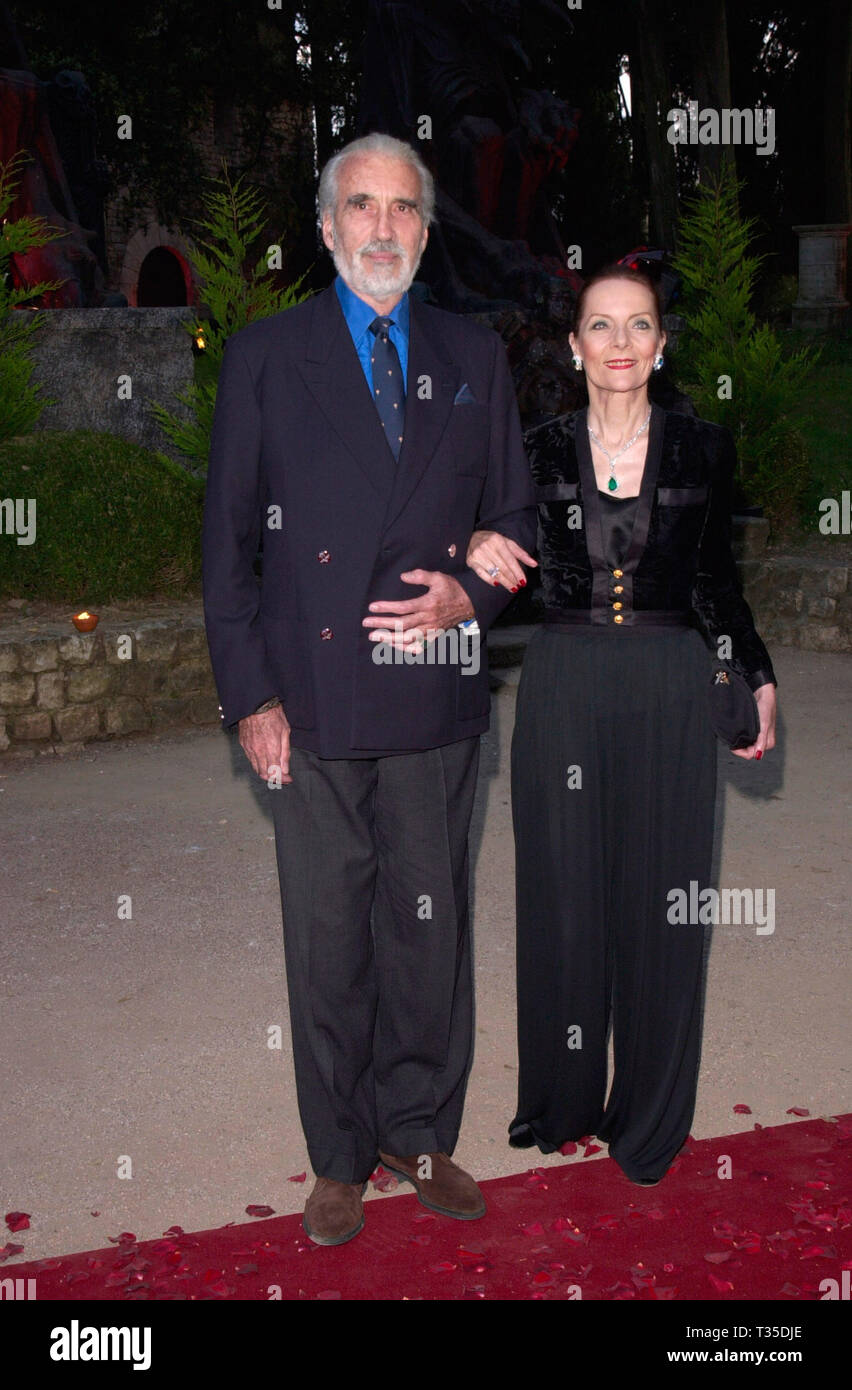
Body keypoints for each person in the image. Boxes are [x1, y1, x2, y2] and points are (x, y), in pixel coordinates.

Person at [202, 132, 537, 1243]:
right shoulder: (265, 357)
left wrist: (467, 602)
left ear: (427, 232)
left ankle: (417, 1130)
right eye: (363, 206)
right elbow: (229, 549)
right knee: (331, 935)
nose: (384, 227)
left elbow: (522, 520)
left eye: (404, 209)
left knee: (429, 932)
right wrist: (250, 696)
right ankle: (340, 1154)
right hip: (315, 701)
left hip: (437, 695)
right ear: (328, 225)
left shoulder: (472, 353)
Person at [466, 264, 777, 1186]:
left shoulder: (703, 446)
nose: (620, 345)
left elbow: (718, 575)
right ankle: (562, 1099)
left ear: (661, 344)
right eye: (600, 327)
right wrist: (472, 539)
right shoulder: (533, 447)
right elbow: (472, 524)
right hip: (561, 686)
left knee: (664, 897)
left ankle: (649, 1113)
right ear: (574, 345)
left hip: (672, 683)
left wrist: (753, 676)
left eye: (638, 327)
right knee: (563, 895)